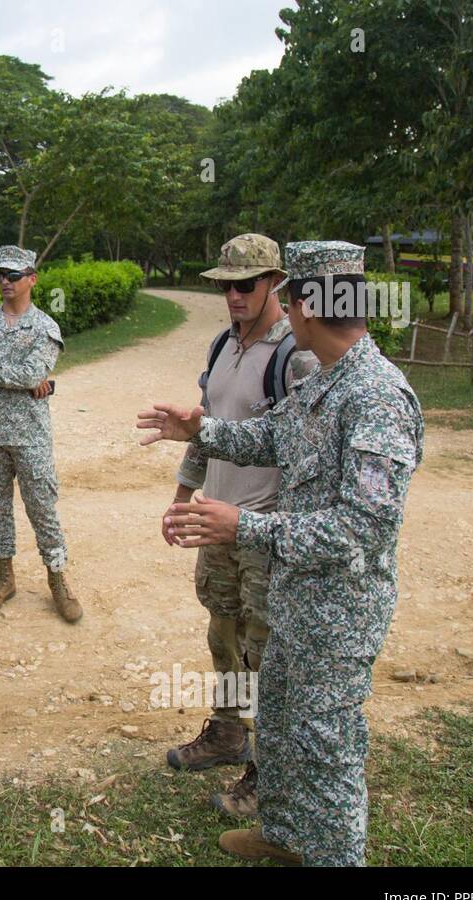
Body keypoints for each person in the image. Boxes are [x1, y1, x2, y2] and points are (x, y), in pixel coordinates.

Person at [137, 241, 424, 866]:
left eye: (290, 294)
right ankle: (285, 836)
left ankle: (335, 857)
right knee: (287, 733)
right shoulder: (327, 380)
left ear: (304, 304)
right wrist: (200, 430)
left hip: (339, 615)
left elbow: (363, 528)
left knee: (329, 751)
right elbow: (271, 433)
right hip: (297, 599)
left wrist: (247, 526)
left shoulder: (377, 396)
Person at [164, 234, 317, 822]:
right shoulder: (222, 345)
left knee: (266, 651)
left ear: (274, 283)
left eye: (245, 284)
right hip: (216, 520)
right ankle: (229, 733)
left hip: (264, 529)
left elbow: (306, 452)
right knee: (222, 635)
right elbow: (208, 430)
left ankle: (268, 770)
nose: (232, 294)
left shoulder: (294, 356)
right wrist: (182, 496)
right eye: (224, 284)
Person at [0, 245, 81, 623]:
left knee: (42, 508)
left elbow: (32, 374)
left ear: (32, 278)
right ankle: (3, 577)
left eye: (13, 275)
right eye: (0, 274)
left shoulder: (45, 326)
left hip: (29, 433)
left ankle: (58, 580)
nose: (5, 281)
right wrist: (18, 378)